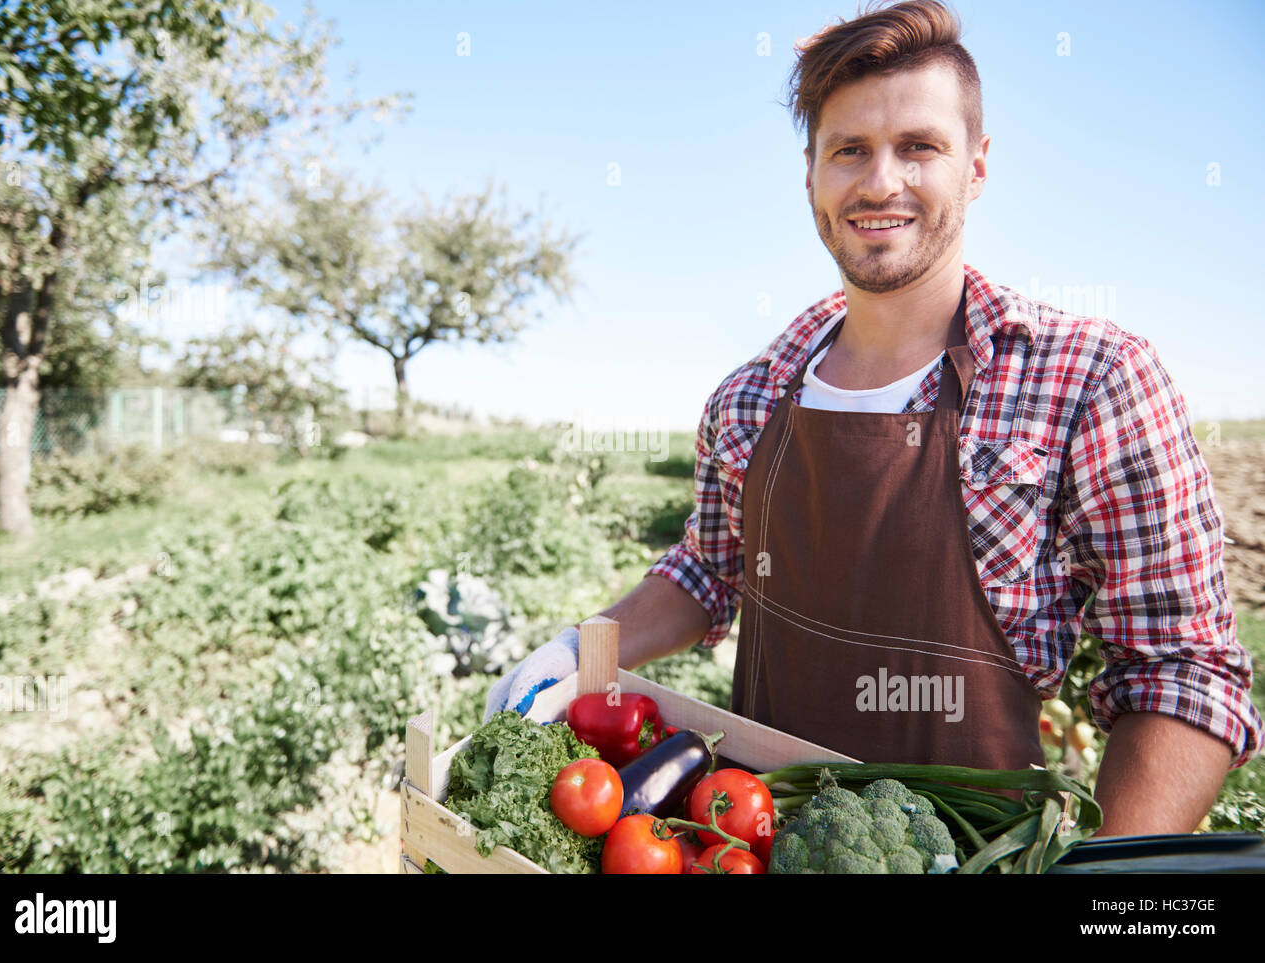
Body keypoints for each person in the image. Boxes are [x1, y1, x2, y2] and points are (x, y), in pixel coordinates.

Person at [485, 0, 1261, 836]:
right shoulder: (750, 397)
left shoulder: (1092, 381)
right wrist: (583, 647)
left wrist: (1102, 893)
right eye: (848, 149)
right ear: (811, 175)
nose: (880, 180)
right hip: (752, 841)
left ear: (977, 166)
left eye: (919, 147)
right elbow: (707, 572)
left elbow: (1181, 674)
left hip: (977, 854)